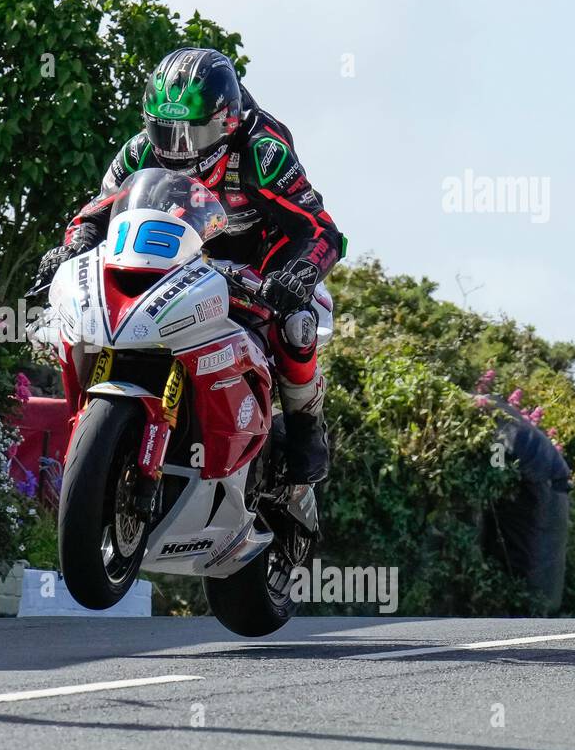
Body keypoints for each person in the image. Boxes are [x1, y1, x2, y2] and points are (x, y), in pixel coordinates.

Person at [31, 47, 346, 484]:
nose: (177, 148)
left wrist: (298, 276)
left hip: (259, 255)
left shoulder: (263, 151)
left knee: (295, 324)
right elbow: (94, 213)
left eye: (192, 133)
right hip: (176, 251)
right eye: (166, 131)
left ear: (226, 121)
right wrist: (72, 246)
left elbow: (320, 228)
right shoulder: (139, 152)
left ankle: (305, 424)